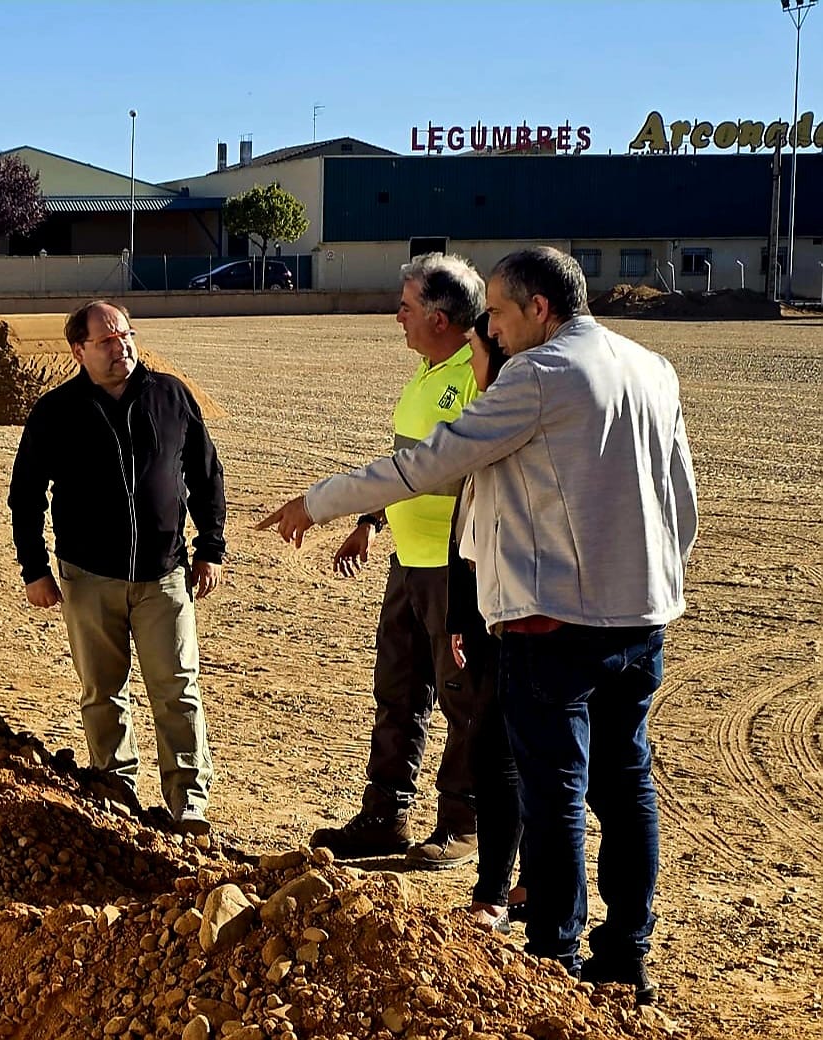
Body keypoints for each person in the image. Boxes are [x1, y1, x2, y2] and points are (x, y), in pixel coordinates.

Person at [257, 246, 696, 1005]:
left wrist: (318, 501)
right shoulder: (651, 365)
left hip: (553, 624)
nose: (482, 329)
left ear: (539, 310)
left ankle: (551, 956)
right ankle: (627, 954)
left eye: (493, 313)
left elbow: (429, 464)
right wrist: (651, 584)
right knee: (626, 786)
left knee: (554, 787)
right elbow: (679, 497)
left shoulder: (540, 375)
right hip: (641, 617)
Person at [9, 299, 228, 835]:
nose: (121, 346)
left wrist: (211, 548)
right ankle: (116, 787)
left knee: (176, 690)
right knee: (102, 691)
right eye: (106, 340)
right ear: (78, 350)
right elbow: (26, 495)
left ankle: (189, 802)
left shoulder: (171, 396)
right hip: (89, 579)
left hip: (164, 577)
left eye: (125, 335)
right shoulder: (56, 412)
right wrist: (33, 568)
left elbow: (206, 475)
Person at [310, 253, 489, 870]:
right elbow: (411, 463)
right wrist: (368, 521)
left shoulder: (477, 374)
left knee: (464, 697)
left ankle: (465, 824)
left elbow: (461, 468)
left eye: (407, 306)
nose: (397, 317)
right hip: (407, 562)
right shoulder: (424, 372)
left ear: (440, 317)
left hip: (455, 568)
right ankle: (384, 816)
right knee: (398, 693)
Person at [453, 311, 523, 931]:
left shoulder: (511, 420)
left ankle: (498, 891)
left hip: (522, 616)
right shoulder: (485, 420)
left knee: (502, 753)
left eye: (475, 350)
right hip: (482, 613)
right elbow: (464, 532)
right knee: (494, 749)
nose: (469, 363)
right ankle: (515, 882)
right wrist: (459, 616)